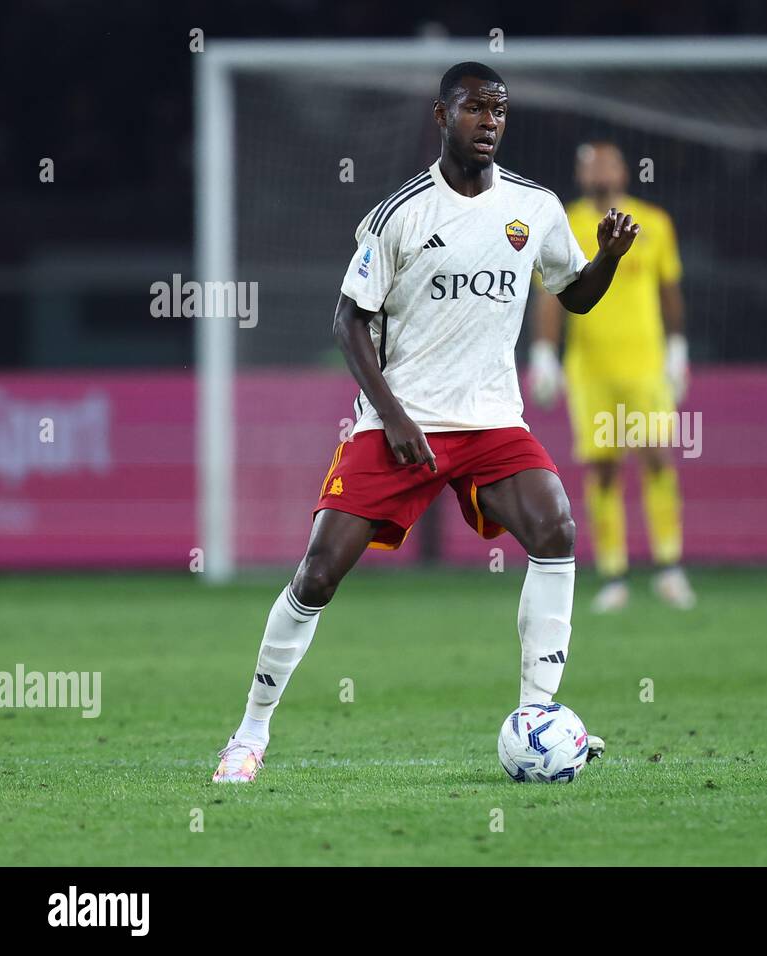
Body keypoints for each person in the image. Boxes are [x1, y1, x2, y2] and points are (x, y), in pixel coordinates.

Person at [212, 62, 639, 783]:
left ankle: (537, 715)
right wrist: (394, 415)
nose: (490, 122)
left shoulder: (534, 208)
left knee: (557, 528)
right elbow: (349, 322)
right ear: (442, 117)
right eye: (475, 110)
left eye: (499, 111)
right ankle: (250, 734)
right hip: (397, 423)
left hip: (490, 421)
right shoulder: (401, 214)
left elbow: (575, 297)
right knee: (317, 574)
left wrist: (608, 259)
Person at [530, 141, 695, 614]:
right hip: (592, 370)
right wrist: (545, 355)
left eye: (607, 161)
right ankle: (613, 573)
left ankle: (669, 567)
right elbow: (549, 296)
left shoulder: (655, 223)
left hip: (645, 366)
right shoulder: (565, 222)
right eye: (590, 163)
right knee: (603, 468)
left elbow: (669, 291)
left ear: (624, 170)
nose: (600, 169)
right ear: (580, 175)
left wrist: (677, 351)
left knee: (657, 457)